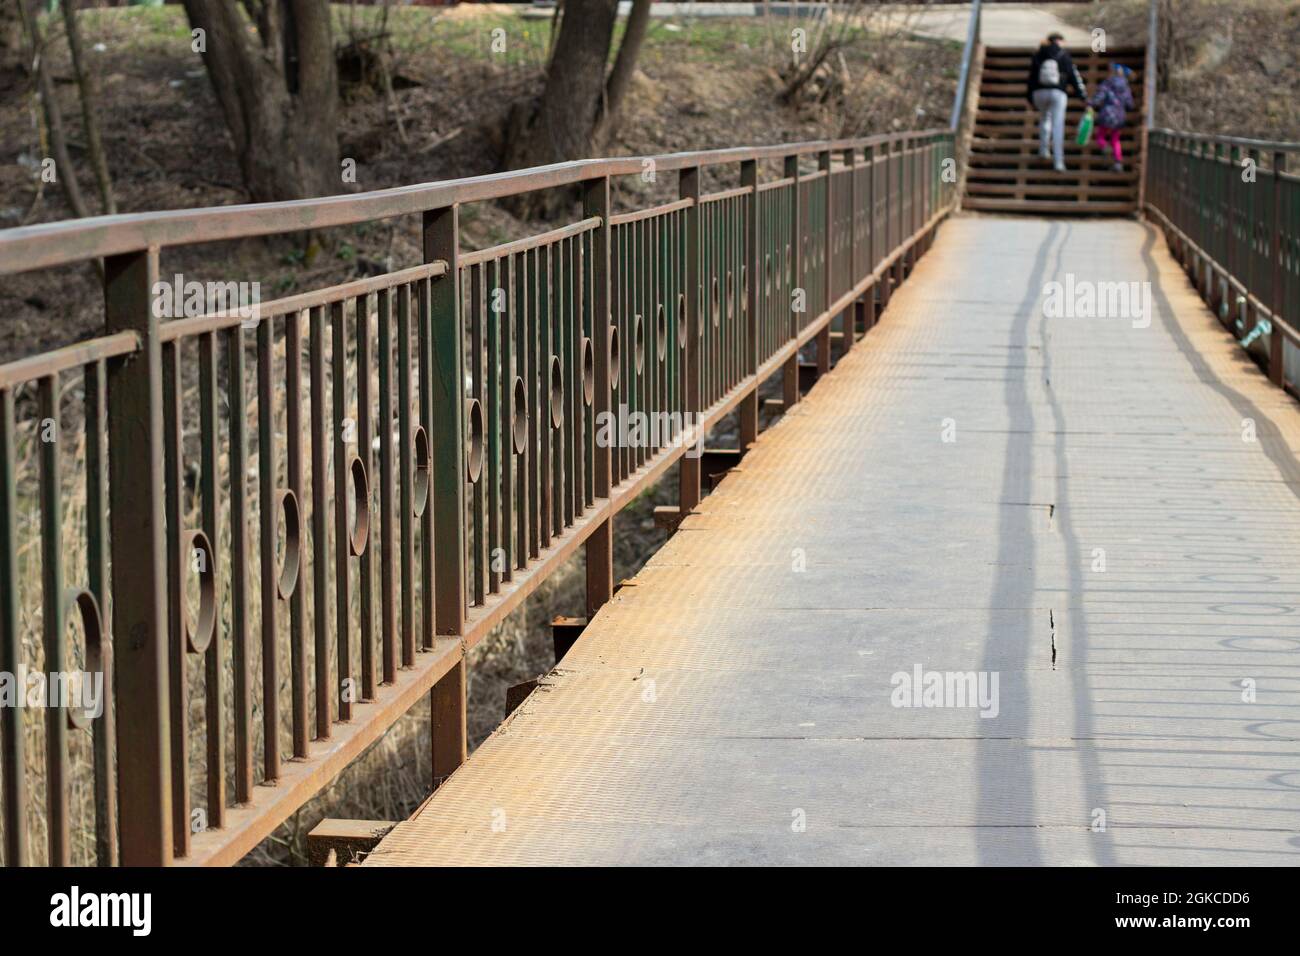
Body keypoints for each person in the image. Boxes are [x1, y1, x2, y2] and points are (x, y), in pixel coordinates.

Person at [1026, 32, 1087, 172]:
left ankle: (1043, 150)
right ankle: (1058, 162)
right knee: (1058, 125)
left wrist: (1029, 97)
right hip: (1058, 93)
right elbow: (1073, 76)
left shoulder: (1038, 54)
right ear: (1060, 41)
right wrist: (1082, 97)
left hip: (1039, 93)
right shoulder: (1064, 55)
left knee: (1044, 118)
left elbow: (1031, 78)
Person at [1090, 63, 1136, 172]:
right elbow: (1130, 104)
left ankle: (1105, 147)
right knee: (1115, 140)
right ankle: (1118, 163)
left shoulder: (1108, 83)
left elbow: (1100, 96)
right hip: (1119, 116)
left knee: (1100, 136)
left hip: (1106, 114)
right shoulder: (1126, 87)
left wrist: (1091, 104)